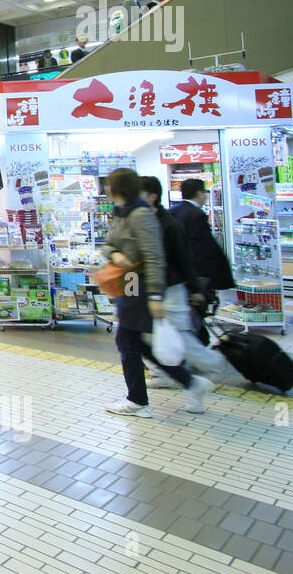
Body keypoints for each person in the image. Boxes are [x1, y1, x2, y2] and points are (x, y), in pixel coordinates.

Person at [101, 168, 212, 418]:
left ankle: (139, 400)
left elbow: (154, 257)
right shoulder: (123, 212)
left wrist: (153, 296)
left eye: (110, 185)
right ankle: (189, 383)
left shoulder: (140, 215)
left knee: (127, 341)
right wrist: (115, 254)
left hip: (140, 285)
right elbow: (109, 245)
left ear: (118, 188)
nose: (107, 189)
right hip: (128, 282)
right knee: (134, 342)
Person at [140, 177, 226, 386]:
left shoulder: (168, 222)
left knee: (180, 335)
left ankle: (212, 364)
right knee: (148, 334)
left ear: (152, 197)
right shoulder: (149, 221)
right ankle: (168, 372)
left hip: (172, 288)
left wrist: (195, 288)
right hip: (154, 288)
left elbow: (184, 256)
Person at [169, 178, 235, 302]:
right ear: (199, 193)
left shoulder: (172, 211)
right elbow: (202, 248)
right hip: (196, 273)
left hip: (177, 272)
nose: (206, 196)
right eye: (205, 192)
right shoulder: (197, 214)